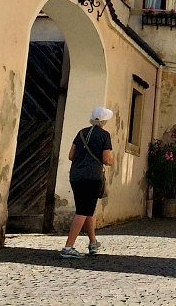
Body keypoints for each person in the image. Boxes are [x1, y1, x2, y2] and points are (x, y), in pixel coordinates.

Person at [61, 106, 114, 258]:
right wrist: (111, 161)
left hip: (76, 175)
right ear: (105, 121)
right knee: (83, 211)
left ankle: (93, 243)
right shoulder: (104, 135)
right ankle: (68, 247)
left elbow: (71, 155)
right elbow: (106, 159)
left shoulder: (81, 133)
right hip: (92, 177)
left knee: (87, 210)